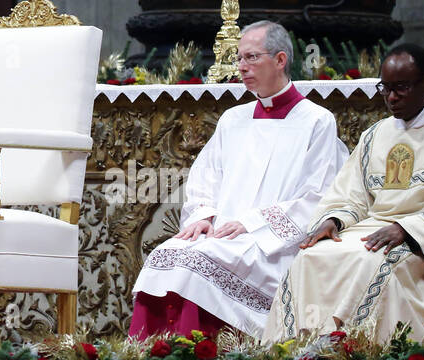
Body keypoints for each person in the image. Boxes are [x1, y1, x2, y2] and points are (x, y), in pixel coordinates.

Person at [129, 21, 348, 339]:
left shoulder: (316, 121)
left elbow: (317, 196)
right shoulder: (234, 119)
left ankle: (201, 350)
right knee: (165, 255)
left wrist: (252, 223)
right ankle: (155, 353)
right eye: (239, 59)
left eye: (251, 57)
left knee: (194, 265)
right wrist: (204, 216)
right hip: (221, 234)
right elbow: (205, 178)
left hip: (271, 243)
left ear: (281, 60)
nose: (241, 67)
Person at [264, 44, 424, 343]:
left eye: (401, 88)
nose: (392, 97)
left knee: (371, 264)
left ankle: (357, 352)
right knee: (309, 260)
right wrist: (333, 220)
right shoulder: (376, 134)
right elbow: (352, 194)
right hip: (372, 230)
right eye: (385, 88)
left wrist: (407, 228)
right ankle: (297, 350)